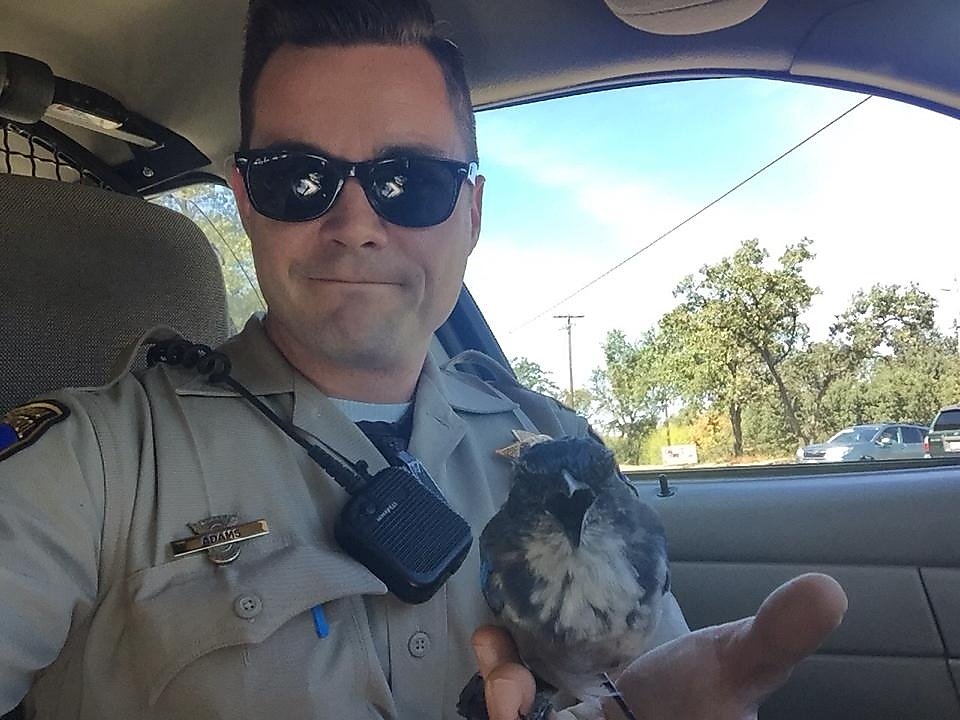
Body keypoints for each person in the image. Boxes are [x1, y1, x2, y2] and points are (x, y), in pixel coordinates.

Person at [0, 1, 846, 718]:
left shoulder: (560, 448)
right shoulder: (94, 467)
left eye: (410, 180)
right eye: (300, 177)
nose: (357, 222)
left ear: (472, 211)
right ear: (247, 203)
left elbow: (634, 675)